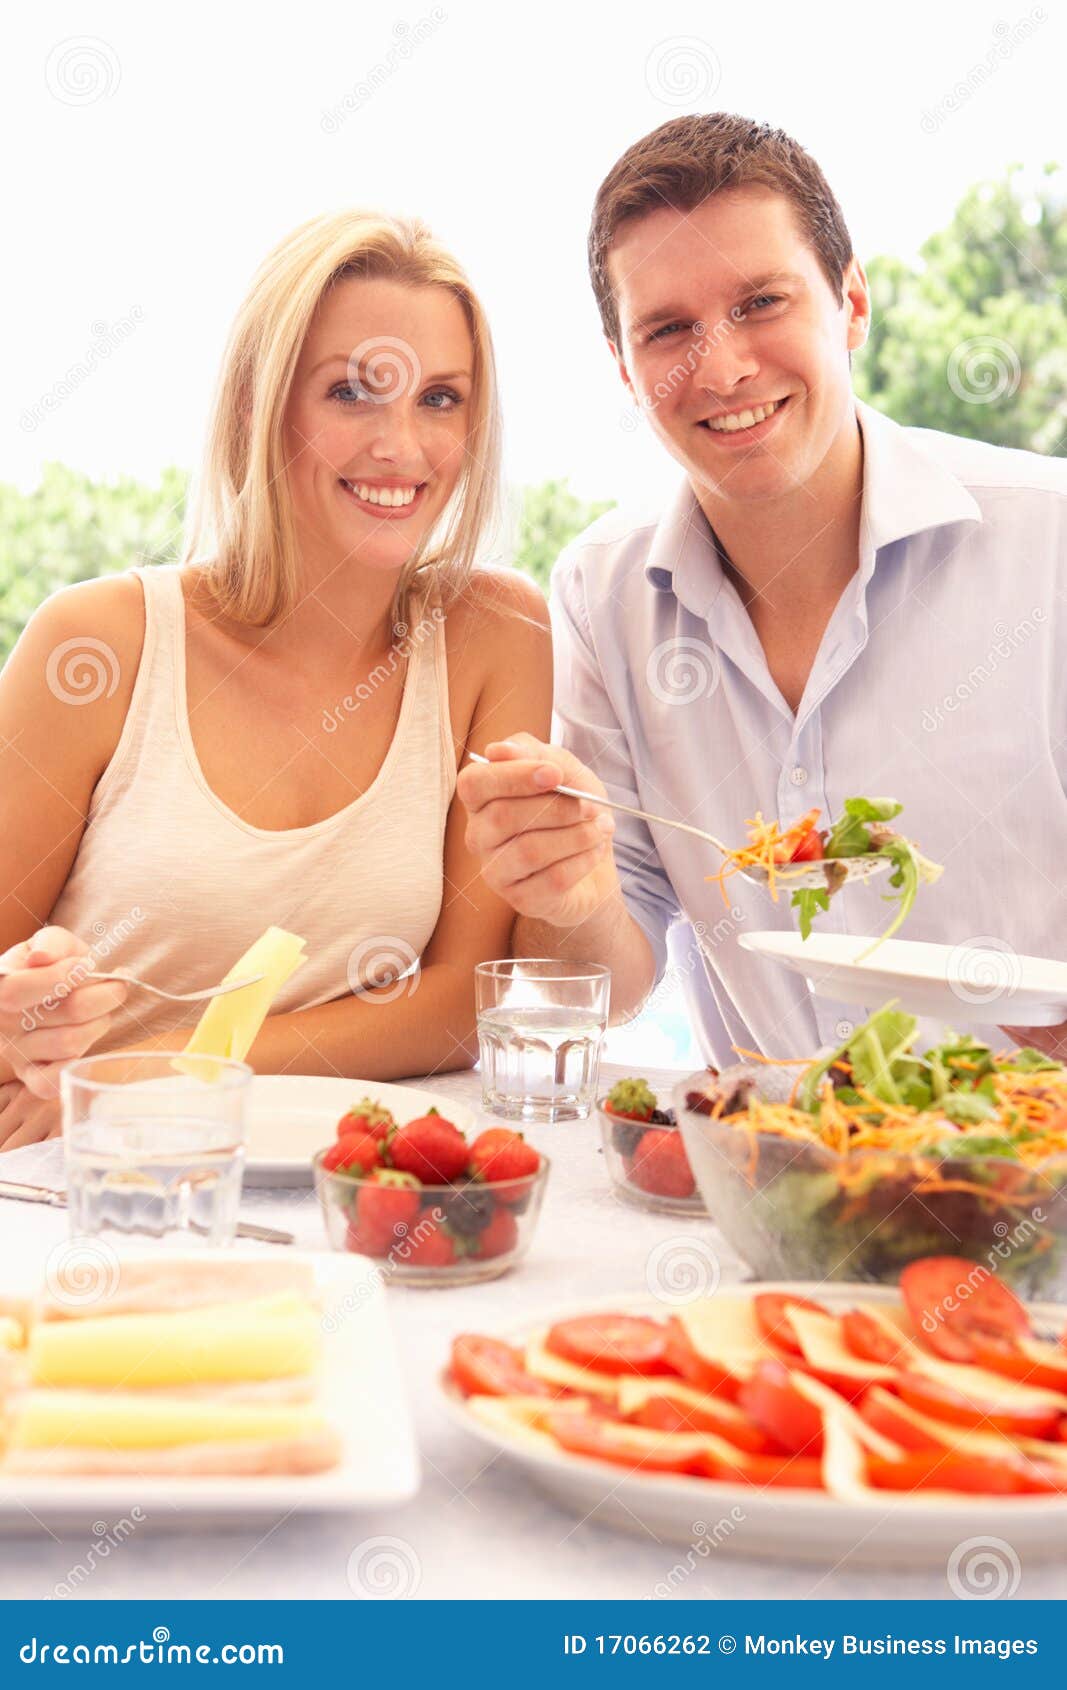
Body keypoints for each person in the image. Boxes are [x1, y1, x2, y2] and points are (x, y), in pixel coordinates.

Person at [459, 112, 1067, 1068]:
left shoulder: (1050, 543)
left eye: (759, 304)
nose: (724, 367)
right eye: (668, 330)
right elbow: (614, 988)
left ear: (851, 302)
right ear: (624, 369)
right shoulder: (600, 591)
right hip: (771, 1192)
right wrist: (570, 898)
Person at [0, 210, 550, 1146]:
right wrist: (22, 1010)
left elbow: (462, 1000)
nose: (402, 448)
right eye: (351, 392)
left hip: (347, 1188)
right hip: (78, 1183)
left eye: (440, 400)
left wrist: (174, 1066)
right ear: (258, 407)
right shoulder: (95, 644)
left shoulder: (494, 633)